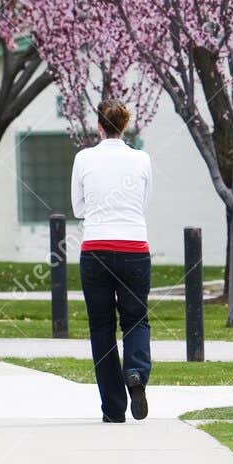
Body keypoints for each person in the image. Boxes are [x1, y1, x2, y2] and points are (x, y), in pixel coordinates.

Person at [71, 99, 153, 423]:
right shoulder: (142, 159)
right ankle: (135, 371)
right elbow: (145, 203)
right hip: (134, 246)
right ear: (126, 125)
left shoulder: (83, 158)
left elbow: (78, 209)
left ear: (99, 126)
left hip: (95, 249)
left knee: (101, 328)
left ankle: (114, 408)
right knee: (136, 320)